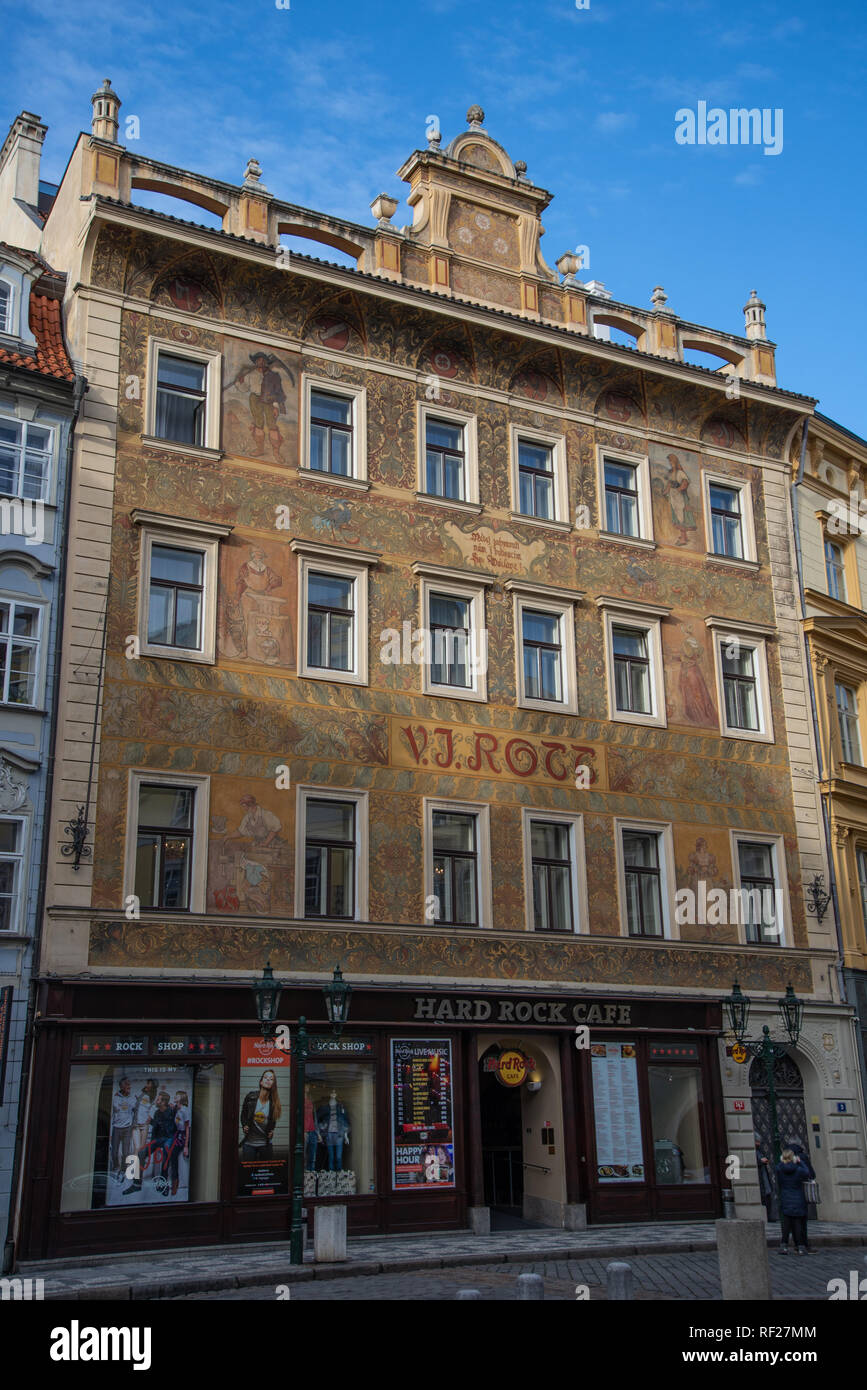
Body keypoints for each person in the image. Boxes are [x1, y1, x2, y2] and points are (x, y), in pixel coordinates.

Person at [775, 1147, 811, 1254]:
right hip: (798, 1199)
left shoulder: (779, 1169)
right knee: (797, 1224)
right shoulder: (798, 1169)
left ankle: (784, 1247)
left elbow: (777, 1167)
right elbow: (807, 1173)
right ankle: (800, 1247)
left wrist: (782, 1161)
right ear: (793, 1158)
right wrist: (800, 1162)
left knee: (786, 1225)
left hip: (786, 1198)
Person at [240, 1069, 281, 1159]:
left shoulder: (274, 1103)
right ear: (261, 1082)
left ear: (273, 1084)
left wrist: (271, 1132)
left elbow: (272, 1123)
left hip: (265, 1145)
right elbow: (243, 1114)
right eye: (265, 1077)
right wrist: (244, 1125)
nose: (267, 1080)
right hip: (249, 1144)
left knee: (266, 1171)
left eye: (271, 1079)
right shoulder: (250, 1096)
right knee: (247, 1171)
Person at [109, 1076, 135, 1182]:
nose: (129, 1086)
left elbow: (135, 1110)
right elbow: (115, 1111)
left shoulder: (132, 1098)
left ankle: (123, 1171)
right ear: (122, 1086)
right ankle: (116, 1167)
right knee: (114, 1152)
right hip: (116, 1128)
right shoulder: (116, 1098)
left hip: (127, 1128)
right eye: (127, 1084)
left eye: (129, 1084)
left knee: (126, 1152)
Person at [754, 1136, 775, 1220]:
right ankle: (768, 1216)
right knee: (764, 1196)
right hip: (761, 1177)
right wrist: (760, 1161)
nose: (759, 1143)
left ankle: (769, 1215)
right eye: (757, 1142)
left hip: (764, 1177)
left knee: (767, 1195)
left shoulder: (759, 1150)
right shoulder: (755, 1151)